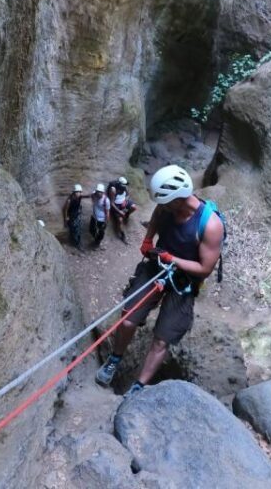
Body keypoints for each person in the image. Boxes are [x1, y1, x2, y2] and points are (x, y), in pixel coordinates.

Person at [95, 165, 224, 397]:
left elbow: (204, 269)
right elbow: (157, 215)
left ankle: (138, 387)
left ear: (178, 199)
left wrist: (171, 258)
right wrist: (148, 239)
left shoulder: (211, 225)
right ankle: (114, 360)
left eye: (165, 203)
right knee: (127, 319)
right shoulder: (167, 207)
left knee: (162, 339)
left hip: (183, 281)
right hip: (157, 264)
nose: (161, 207)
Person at [107, 176, 137, 243]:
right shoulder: (113, 190)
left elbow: (128, 195)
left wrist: (125, 201)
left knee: (134, 207)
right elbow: (111, 203)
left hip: (123, 202)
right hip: (116, 205)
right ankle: (122, 235)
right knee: (120, 220)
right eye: (123, 185)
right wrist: (119, 212)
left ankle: (126, 215)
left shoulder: (124, 187)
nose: (124, 186)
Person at [62, 184, 87, 249]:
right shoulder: (69, 200)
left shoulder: (79, 197)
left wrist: (92, 195)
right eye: (78, 192)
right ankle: (76, 243)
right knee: (74, 230)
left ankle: (76, 241)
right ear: (74, 192)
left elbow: (85, 196)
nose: (80, 193)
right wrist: (65, 219)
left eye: (80, 192)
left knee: (78, 229)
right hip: (72, 217)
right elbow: (65, 210)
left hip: (77, 216)